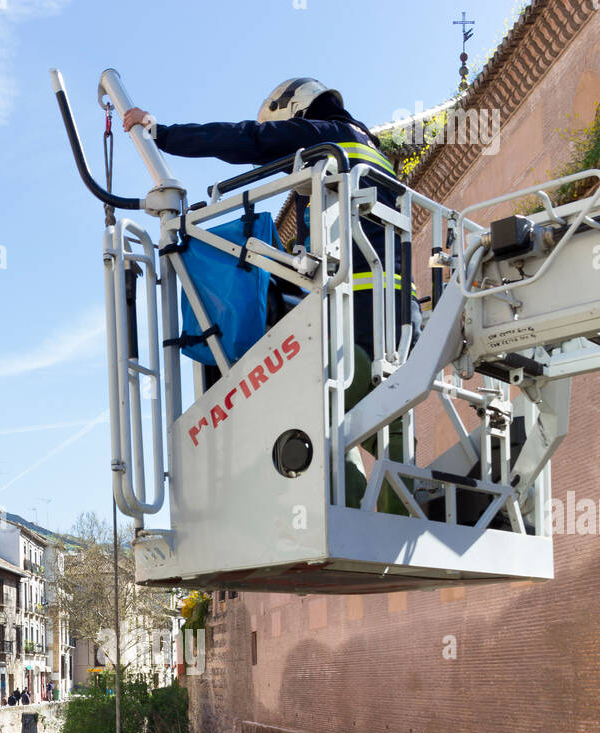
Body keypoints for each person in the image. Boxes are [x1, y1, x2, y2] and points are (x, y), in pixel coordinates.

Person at [123, 80, 421, 509]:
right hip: (399, 311)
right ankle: (396, 513)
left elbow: (250, 139)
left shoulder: (323, 134)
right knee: (381, 413)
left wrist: (162, 132)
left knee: (307, 403)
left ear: (292, 111)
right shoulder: (371, 151)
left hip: (356, 307)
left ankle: (350, 514)